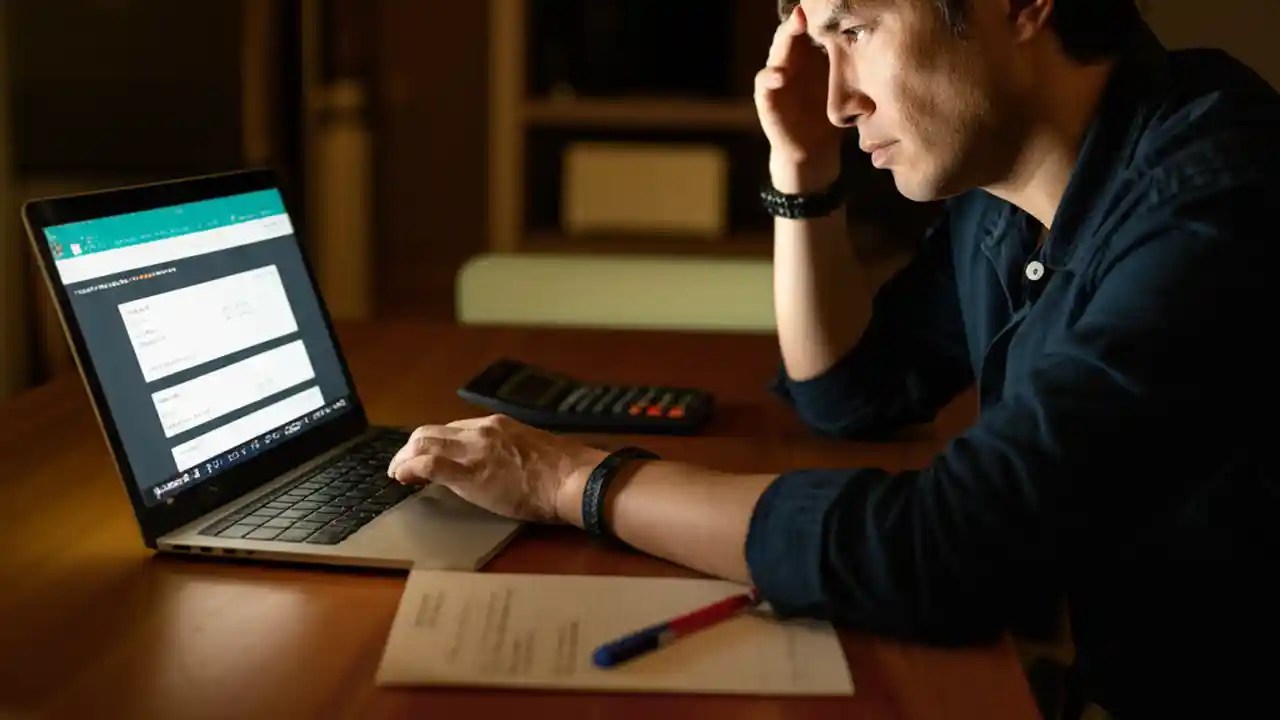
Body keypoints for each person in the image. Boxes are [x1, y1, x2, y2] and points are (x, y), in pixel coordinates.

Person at [388, 1, 1277, 717]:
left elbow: (945, 549)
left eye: (854, 30)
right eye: (820, 41)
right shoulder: (1011, 183)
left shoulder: (1215, 203)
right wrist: (801, 169)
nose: (836, 94)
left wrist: (571, 482)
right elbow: (852, 389)